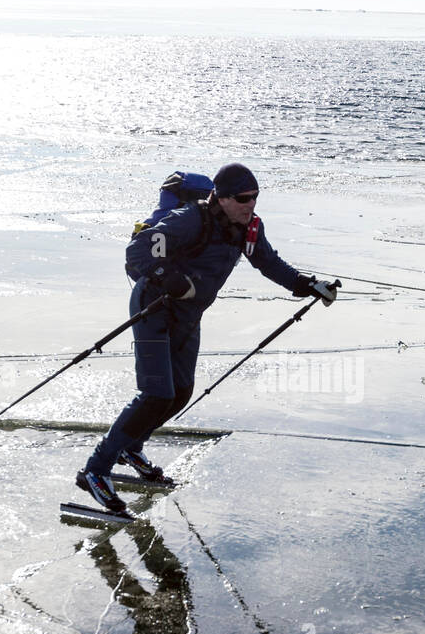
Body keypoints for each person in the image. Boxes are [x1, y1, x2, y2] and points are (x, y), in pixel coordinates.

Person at [76, 163, 338, 513]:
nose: (250, 204)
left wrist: (308, 285)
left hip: (188, 315)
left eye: (255, 197)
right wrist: (171, 278)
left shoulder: (249, 229)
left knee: (180, 392)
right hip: (154, 307)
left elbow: (269, 263)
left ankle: (130, 448)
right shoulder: (190, 220)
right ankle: (95, 471)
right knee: (156, 393)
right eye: (243, 198)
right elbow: (139, 250)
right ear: (222, 197)